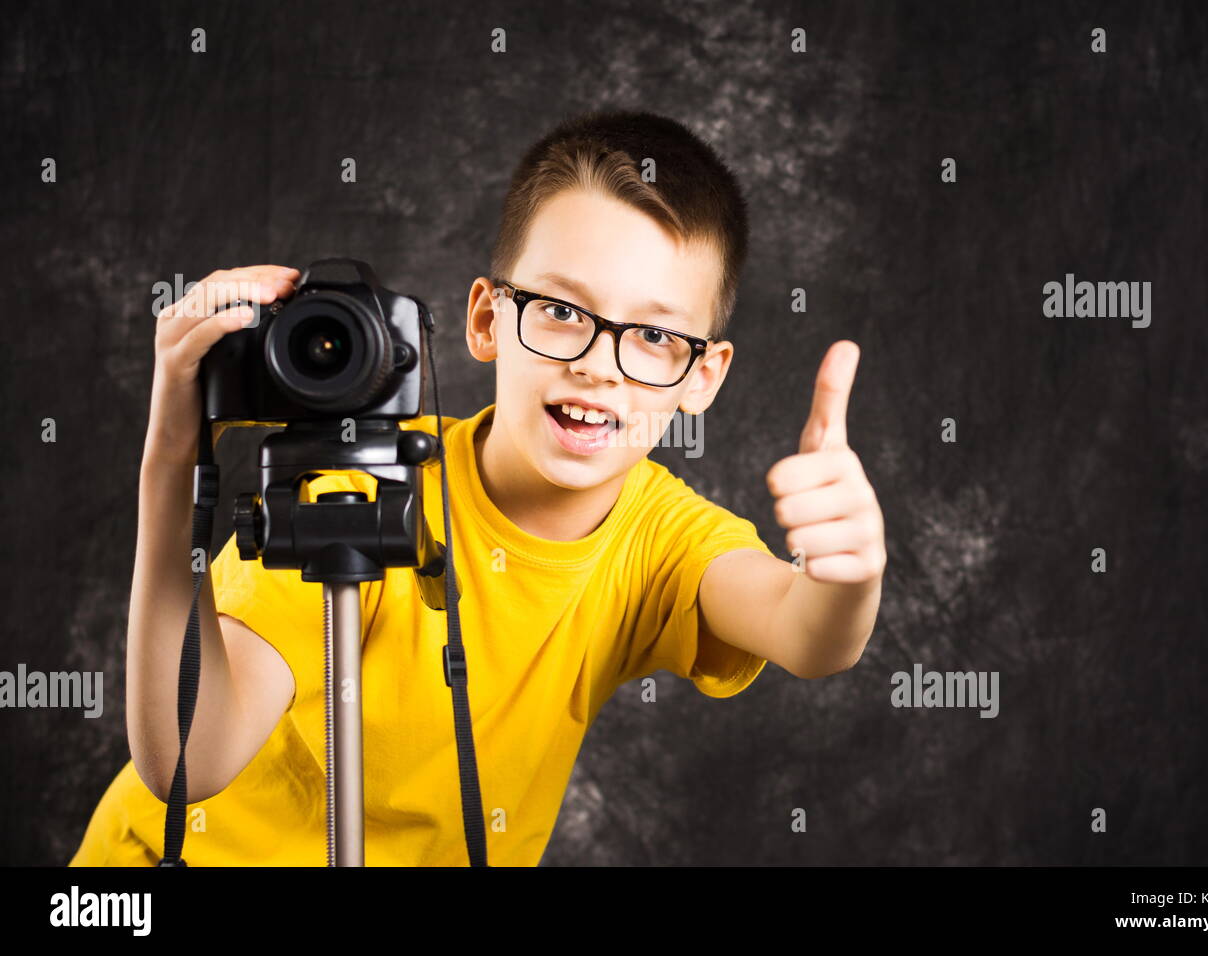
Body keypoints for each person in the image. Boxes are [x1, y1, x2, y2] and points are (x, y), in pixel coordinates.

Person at [69, 109, 886, 866]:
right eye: (563, 311)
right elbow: (189, 758)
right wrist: (172, 457)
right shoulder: (364, 492)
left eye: (653, 334)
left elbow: (805, 632)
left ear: (701, 377)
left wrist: (847, 577)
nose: (598, 364)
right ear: (489, 321)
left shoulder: (662, 542)